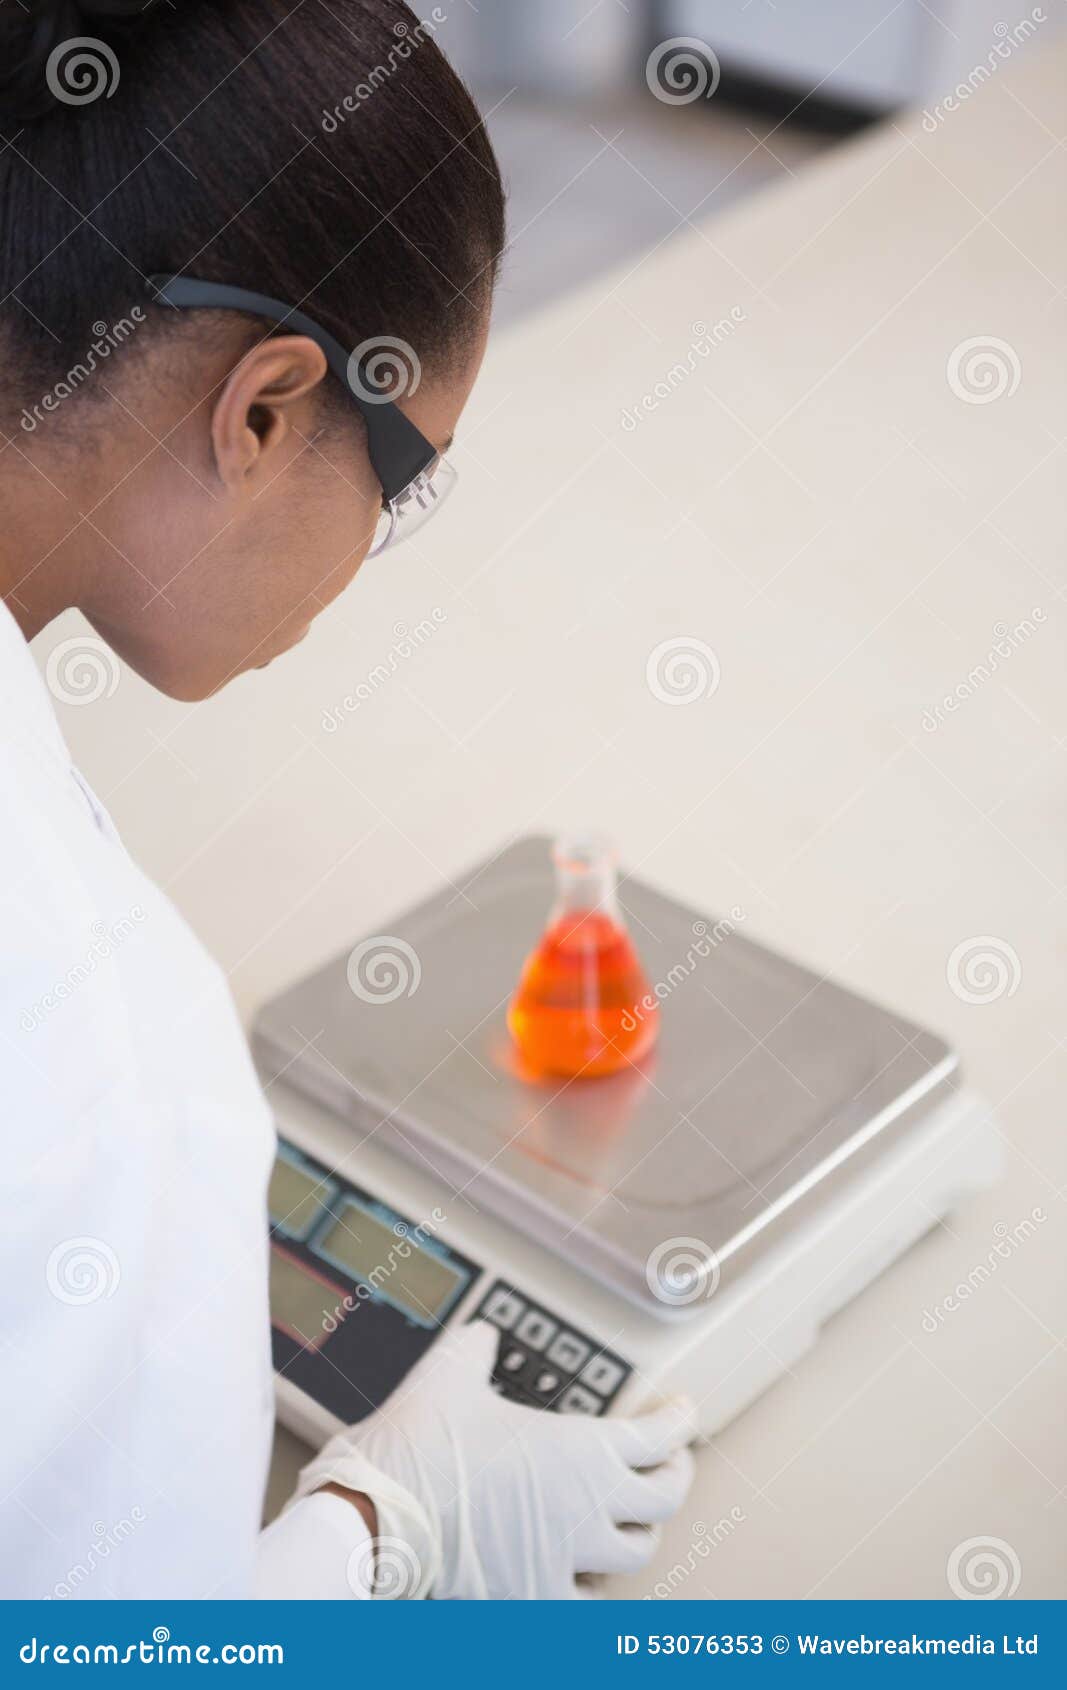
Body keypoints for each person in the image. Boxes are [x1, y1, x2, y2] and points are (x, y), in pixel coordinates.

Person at [0, 0, 695, 1601]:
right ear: (260, 409)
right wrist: (379, 1530)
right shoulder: (89, 1058)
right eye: (405, 481)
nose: (377, 552)